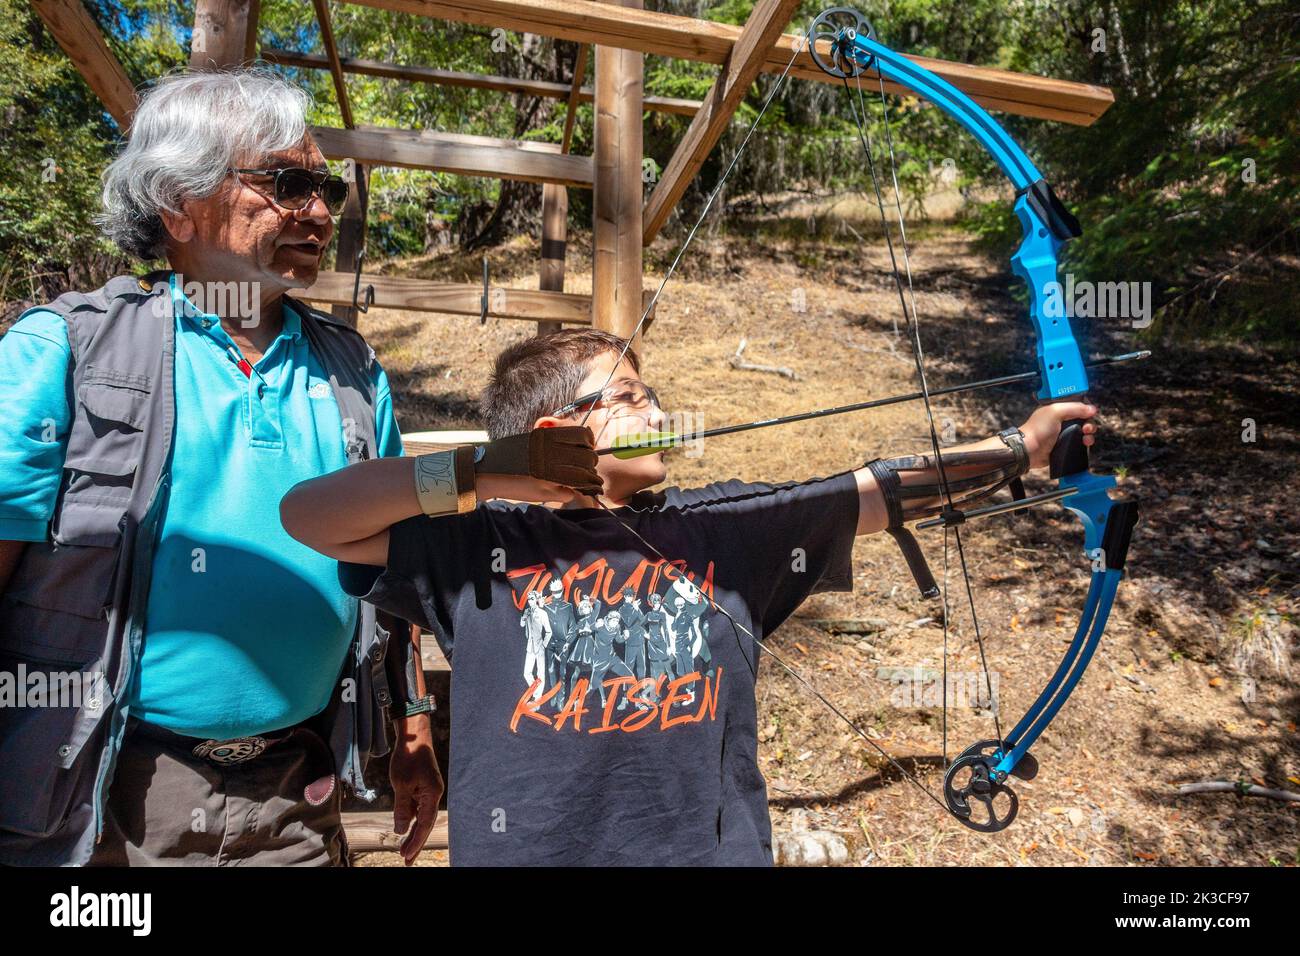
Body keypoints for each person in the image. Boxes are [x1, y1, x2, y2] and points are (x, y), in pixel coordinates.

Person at [280, 327, 1099, 865]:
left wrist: (1016, 453)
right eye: (631, 396)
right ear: (559, 428)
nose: (661, 411)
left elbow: (878, 491)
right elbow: (309, 516)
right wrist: (483, 470)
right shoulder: (478, 540)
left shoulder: (723, 528)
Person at [0, 68, 451, 866]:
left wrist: (414, 728)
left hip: (299, 796)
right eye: (286, 183)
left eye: (324, 190)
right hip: (99, 802)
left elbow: (395, 561)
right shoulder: (67, 350)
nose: (315, 210)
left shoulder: (352, 372)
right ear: (178, 201)